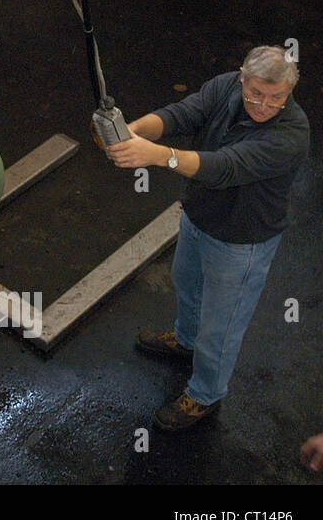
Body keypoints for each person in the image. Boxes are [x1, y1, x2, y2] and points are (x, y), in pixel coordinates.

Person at [106, 45, 310, 431]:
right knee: (186, 284)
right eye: (256, 94)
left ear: (288, 92)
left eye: (276, 98)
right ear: (241, 78)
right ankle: (185, 340)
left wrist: (156, 155)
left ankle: (205, 395)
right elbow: (182, 115)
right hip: (199, 218)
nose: (264, 106)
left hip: (241, 242)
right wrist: (131, 131)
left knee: (221, 326)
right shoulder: (223, 88)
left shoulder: (291, 134)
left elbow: (224, 167)